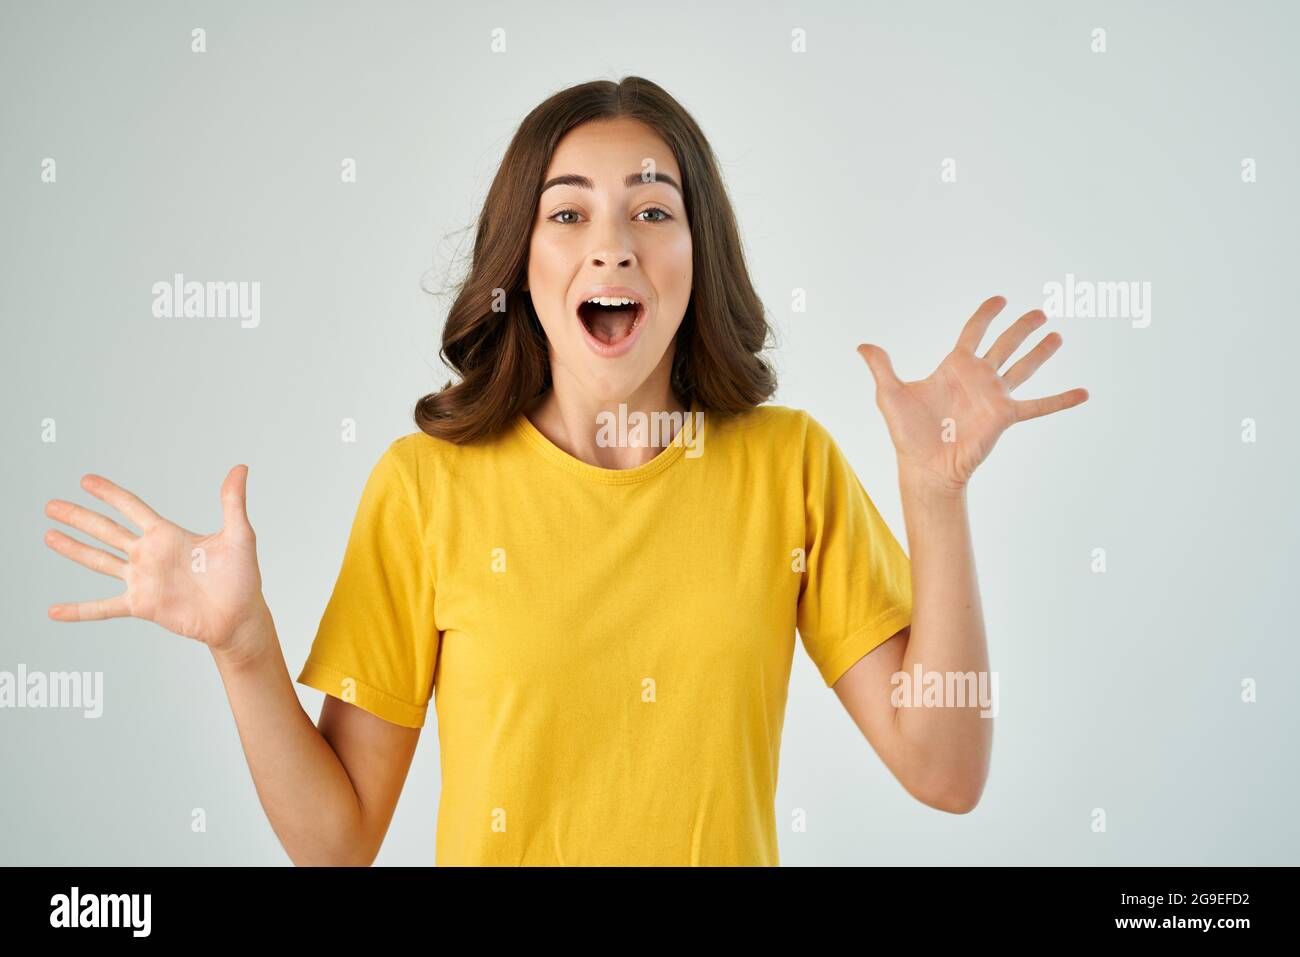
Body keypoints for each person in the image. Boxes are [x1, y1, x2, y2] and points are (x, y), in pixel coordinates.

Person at [41, 76, 1087, 866]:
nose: (612, 245)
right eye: (568, 212)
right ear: (523, 263)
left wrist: (934, 498)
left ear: (697, 256)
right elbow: (338, 840)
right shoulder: (426, 488)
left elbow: (945, 775)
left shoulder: (788, 467)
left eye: (652, 209)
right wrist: (242, 646)